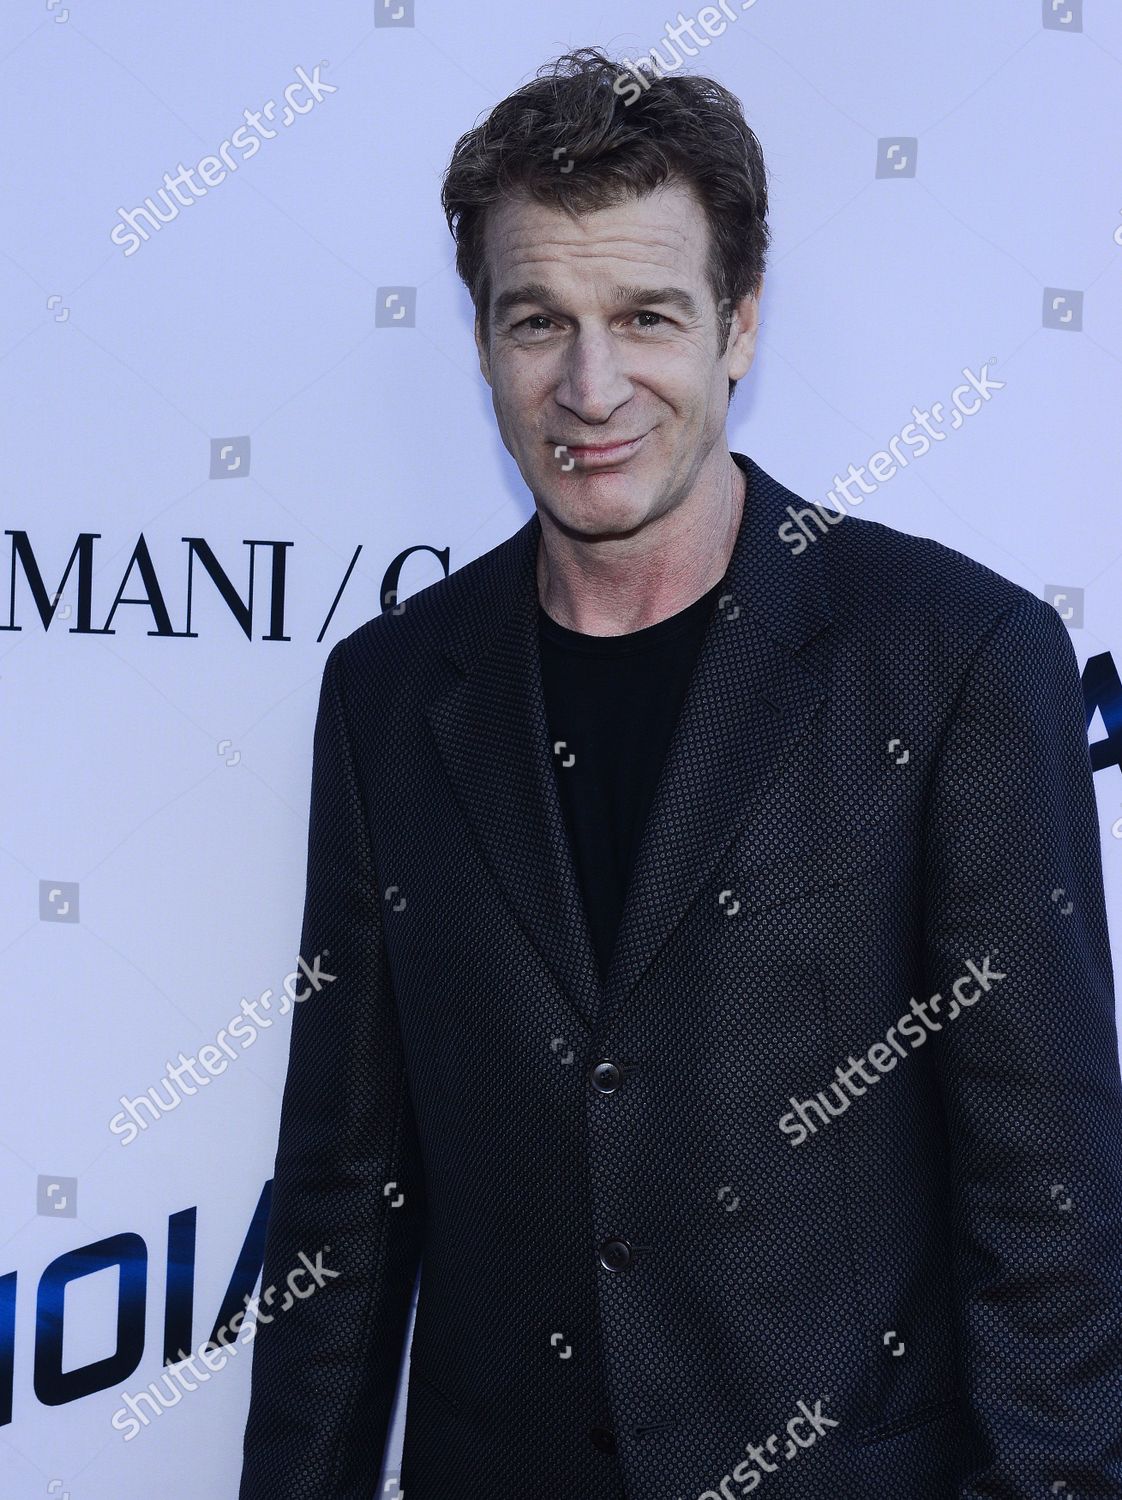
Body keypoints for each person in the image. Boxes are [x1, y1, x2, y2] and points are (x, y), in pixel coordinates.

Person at [239, 46, 1122, 1499]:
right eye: (539, 322)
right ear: (482, 342)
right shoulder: (391, 691)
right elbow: (344, 1191)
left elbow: (1047, 1211)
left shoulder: (957, 657)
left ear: (737, 325)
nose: (591, 387)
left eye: (645, 315)